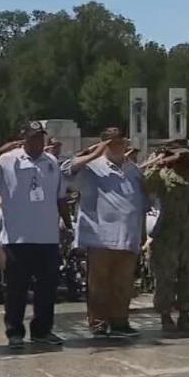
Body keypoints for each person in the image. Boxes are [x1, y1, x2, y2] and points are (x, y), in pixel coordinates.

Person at [0, 121, 66, 350]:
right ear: (23, 139)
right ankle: (14, 331)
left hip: (47, 236)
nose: (38, 142)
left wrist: (68, 225)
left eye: (41, 137)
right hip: (17, 238)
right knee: (16, 289)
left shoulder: (51, 161)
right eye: (33, 137)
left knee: (47, 289)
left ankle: (42, 330)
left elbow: (60, 197)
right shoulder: (7, 160)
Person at [64, 128, 147, 338]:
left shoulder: (132, 169)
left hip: (128, 236)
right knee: (99, 284)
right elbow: (66, 170)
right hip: (100, 237)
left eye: (121, 142)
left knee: (123, 284)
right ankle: (98, 324)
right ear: (103, 144)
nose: (118, 146)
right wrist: (91, 153)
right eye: (112, 143)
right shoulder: (91, 167)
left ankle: (120, 323)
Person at [143, 146, 189, 333]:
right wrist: (161, 161)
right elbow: (146, 184)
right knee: (166, 277)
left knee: (188, 276)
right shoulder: (163, 175)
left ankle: (185, 314)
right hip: (167, 234)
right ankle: (165, 315)